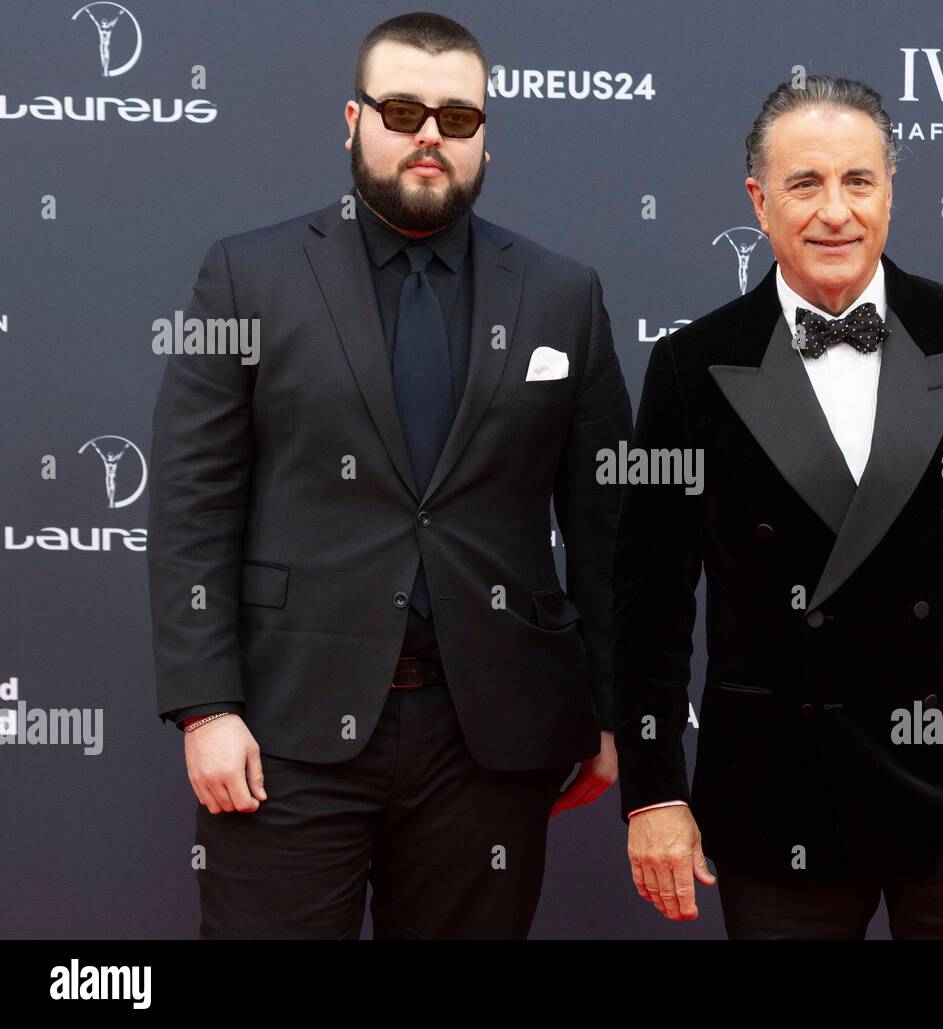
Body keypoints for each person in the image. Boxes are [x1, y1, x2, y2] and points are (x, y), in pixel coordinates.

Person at [148, 12, 631, 939]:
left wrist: (606, 712)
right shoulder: (247, 276)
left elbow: (604, 528)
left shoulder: (563, 293)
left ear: (485, 134)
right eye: (403, 109)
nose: (428, 137)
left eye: (456, 118)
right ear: (352, 118)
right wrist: (205, 705)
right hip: (284, 734)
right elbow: (190, 504)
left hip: (488, 738)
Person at [612, 75, 943, 939]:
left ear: (890, 193)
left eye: (858, 181)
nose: (835, 211)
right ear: (759, 202)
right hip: (778, 793)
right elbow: (648, 597)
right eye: (805, 184)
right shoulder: (690, 366)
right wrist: (653, 787)